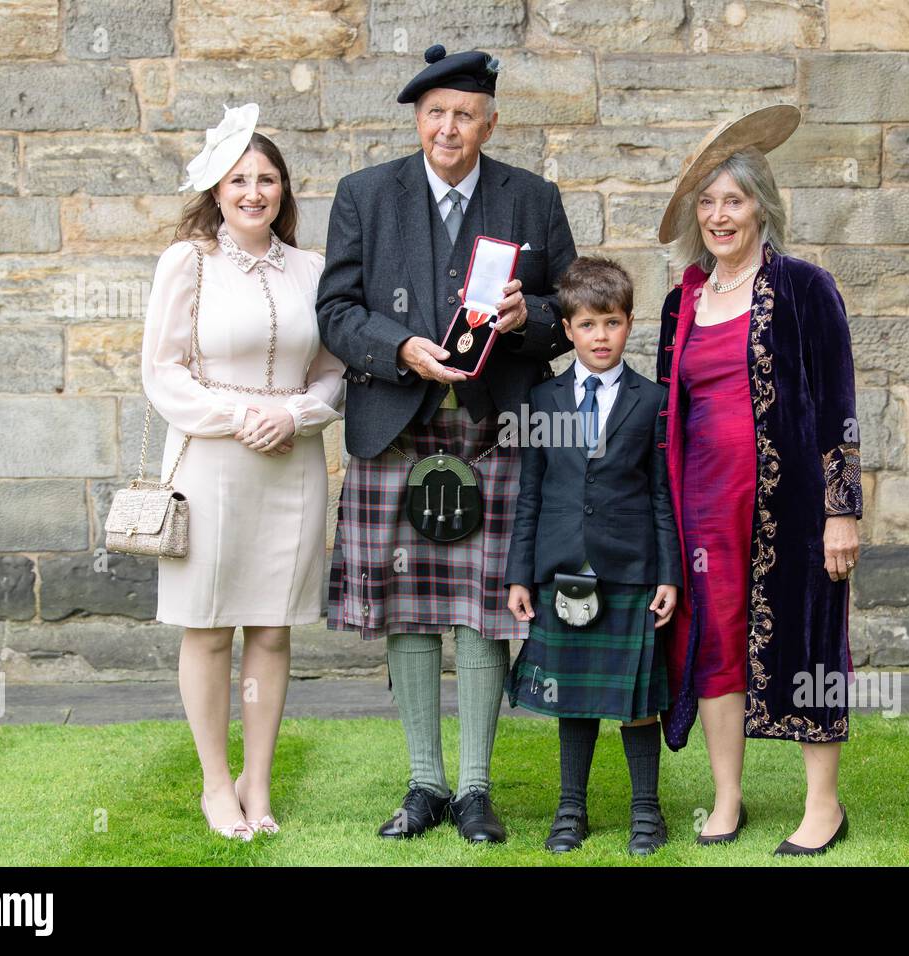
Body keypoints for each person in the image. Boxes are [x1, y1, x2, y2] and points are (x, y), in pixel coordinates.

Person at [318, 44, 577, 843]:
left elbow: (573, 310)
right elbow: (334, 310)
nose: (449, 128)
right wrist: (398, 348)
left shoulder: (532, 198)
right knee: (409, 608)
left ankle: (473, 790)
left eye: (465, 114)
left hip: (491, 428)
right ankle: (424, 783)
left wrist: (524, 318)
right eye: (436, 113)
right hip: (398, 424)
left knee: (486, 609)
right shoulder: (365, 195)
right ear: (418, 120)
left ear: (489, 121)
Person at [655, 105, 861, 856]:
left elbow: (839, 405)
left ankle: (823, 805)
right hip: (703, 508)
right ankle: (727, 798)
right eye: (706, 203)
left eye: (733, 200)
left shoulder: (806, 288)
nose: (718, 216)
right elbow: (664, 416)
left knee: (810, 642)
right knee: (714, 644)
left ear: (761, 207)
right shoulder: (681, 302)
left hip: (794, 505)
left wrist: (843, 511)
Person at [141, 103, 346, 841]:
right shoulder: (187, 261)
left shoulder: (313, 269)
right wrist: (240, 417)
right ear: (217, 191)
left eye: (268, 179)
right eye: (240, 180)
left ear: (284, 191)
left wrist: (293, 417)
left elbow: (331, 373)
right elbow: (162, 373)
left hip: (290, 465)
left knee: (272, 628)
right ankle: (215, 784)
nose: (254, 192)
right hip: (212, 464)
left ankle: (259, 783)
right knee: (207, 627)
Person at [504, 256, 681, 856]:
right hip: (561, 573)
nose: (600, 337)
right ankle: (570, 810)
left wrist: (670, 575)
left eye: (611, 323)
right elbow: (530, 494)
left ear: (629, 324)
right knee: (571, 698)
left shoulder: (653, 400)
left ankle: (646, 812)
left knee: (635, 701)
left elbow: (662, 495)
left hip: (630, 571)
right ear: (569, 329)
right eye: (587, 325)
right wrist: (519, 576)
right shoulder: (543, 398)